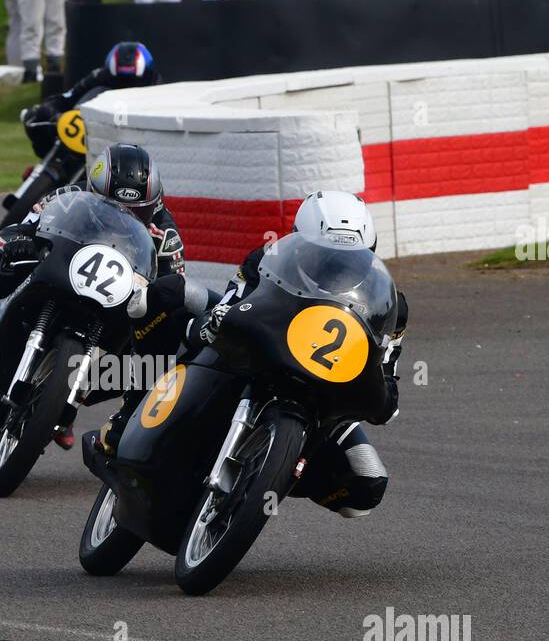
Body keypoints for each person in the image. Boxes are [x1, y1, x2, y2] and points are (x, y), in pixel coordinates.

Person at [99, 191, 407, 522]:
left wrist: (382, 395)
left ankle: (264, 478)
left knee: (366, 483)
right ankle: (129, 413)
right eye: (326, 254)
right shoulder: (268, 257)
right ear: (300, 241)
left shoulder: (389, 304)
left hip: (323, 389)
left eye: (350, 256)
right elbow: (232, 302)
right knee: (163, 295)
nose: (336, 264)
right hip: (258, 346)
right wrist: (213, 323)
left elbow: (385, 367)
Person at [0, 143, 187, 448]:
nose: (126, 216)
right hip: (62, 274)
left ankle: (83, 409)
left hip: (117, 303)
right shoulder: (67, 197)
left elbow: (171, 288)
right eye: (112, 206)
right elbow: (22, 227)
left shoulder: (166, 234)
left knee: (158, 353)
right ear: (94, 190)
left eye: (136, 212)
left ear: (153, 204)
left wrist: (156, 306)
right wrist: (15, 243)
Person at [21, 41, 159, 159]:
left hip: (132, 148)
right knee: (36, 117)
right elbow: (67, 98)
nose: (126, 87)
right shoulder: (100, 77)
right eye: (120, 81)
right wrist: (51, 112)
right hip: (88, 134)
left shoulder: (158, 90)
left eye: (133, 82)